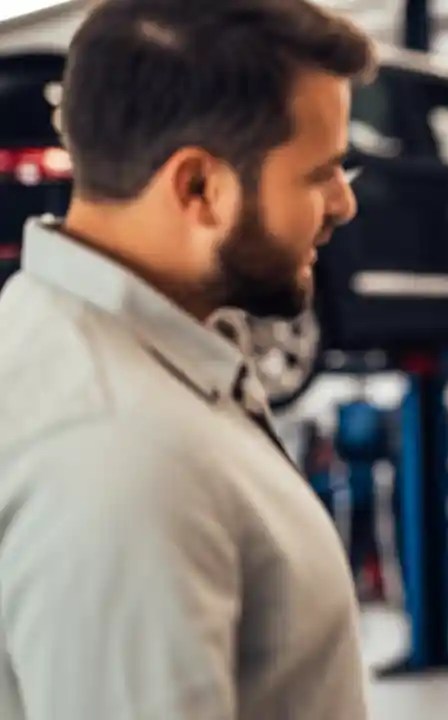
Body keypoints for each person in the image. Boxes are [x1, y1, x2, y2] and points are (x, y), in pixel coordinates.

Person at [0, 1, 376, 718]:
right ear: (199, 187)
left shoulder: (96, 346)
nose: (343, 203)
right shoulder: (119, 451)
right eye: (319, 173)